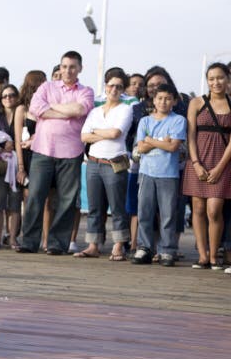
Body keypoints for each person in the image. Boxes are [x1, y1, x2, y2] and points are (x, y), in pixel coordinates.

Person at [18, 51, 94, 255]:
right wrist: (63, 111)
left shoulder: (86, 91)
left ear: (80, 68)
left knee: (67, 200)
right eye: (64, 66)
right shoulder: (46, 86)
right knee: (35, 196)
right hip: (43, 149)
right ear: (59, 67)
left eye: (72, 67)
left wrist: (49, 108)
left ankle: (56, 244)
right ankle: (29, 242)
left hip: (71, 151)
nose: (67, 70)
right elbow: (35, 108)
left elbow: (80, 110)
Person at [75, 68, 133, 261]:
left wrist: (95, 133)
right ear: (105, 87)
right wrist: (104, 132)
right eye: (111, 85)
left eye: (118, 86)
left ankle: (119, 245)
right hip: (93, 162)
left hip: (114, 162)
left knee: (117, 207)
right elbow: (83, 136)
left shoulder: (126, 109)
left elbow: (115, 133)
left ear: (123, 89)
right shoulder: (95, 111)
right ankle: (93, 245)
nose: (114, 89)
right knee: (94, 207)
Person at [130, 84, 187, 266]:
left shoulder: (178, 120)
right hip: (146, 173)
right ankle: (145, 247)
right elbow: (141, 147)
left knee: (168, 213)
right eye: (160, 98)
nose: (163, 102)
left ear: (174, 101)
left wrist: (151, 140)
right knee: (144, 211)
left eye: (168, 98)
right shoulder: (145, 121)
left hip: (169, 174)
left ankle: (167, 250)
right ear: (153, 100)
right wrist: (162, 141)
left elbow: (173, 147)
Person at [182, 63, 231, 270]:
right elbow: (191, 135)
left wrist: (220, 167)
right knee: (198, 208)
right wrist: (195, 163)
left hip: (223, 162)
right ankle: (203, 256)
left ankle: (213, 254)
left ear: (227, 79)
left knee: (214, 209)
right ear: (207, 80)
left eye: (220, 78)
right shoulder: (196, 103)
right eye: (211, 78)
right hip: (198, 161)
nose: (216, 82)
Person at [0, 84, 21, 248]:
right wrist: (2, 146)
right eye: (5, 96)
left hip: (17, 164)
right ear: (0, 100)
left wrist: (14, 144)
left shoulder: (22, 113)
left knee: (14, 203)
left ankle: (13, 237)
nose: (8, 98)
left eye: (12, 95)